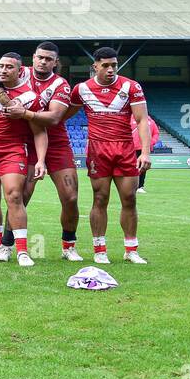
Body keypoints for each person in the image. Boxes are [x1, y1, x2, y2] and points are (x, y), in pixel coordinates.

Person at [67, 47, 152, 264]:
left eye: (114, 65)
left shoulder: (131, 87)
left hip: (124, 149)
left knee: (130, 198)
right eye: (105, 65)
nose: (111, 69)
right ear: (95, 67)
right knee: (100, 198)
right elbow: (61, 115)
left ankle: (131, 249)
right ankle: (99, 249)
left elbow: (142, 120)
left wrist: (145, 152)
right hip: (98, 150)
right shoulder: (81, 89)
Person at [0, 42, 83, 260]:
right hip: (24, 142)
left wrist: (24, 113)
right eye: (40, 57)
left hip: (56, 144)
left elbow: (54, 118)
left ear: (56, 62)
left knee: (71, 197)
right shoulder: (20, 72)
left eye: (48, 59)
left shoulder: (60, 84)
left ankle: (69, 246)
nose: (43, 62)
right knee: (20, 196)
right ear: (33, 58)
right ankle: (6, 246)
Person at [0, 53, 50, 267]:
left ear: (19, 70)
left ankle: (22, 251)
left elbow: (39, 131)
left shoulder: (29, 97)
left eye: (9, 67)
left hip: (12, 150)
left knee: (14, 196)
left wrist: (41, 160)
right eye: (0, 66)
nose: (3, 70)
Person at [137, 116, 159, 192]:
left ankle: (140, 186)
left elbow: (156, 133)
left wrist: (151, 143)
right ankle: (130, 186)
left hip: (144, 149)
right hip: (132, 148)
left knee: (143, 167)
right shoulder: (130, 119)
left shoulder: (151, 122)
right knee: (130, 167)